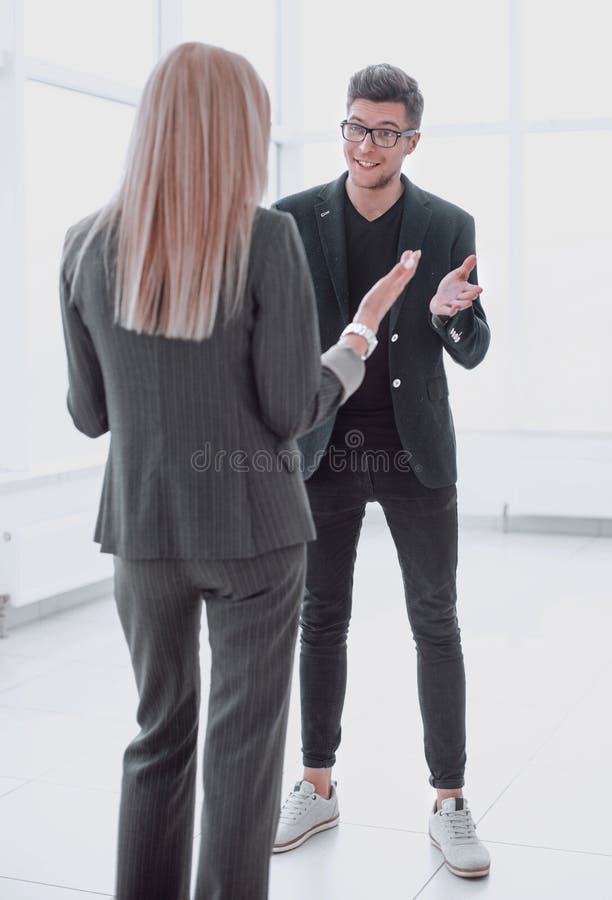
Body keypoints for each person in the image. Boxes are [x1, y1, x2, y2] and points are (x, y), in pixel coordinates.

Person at [59, 44, 427, 900]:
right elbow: (291, 406)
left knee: (158, 739)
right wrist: (357, 342)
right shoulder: (266, 238)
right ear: (238, 132)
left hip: (144, 534)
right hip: (255, 534)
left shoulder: (84, 244)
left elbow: (89, 414)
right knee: (241, 752)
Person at [273, 63, 491, 880]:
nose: (367, 144)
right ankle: (316, 783)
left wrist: (448, 319)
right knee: (319, 619)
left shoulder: (447, 222)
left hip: (414, 452)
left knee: (436, 621)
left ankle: (450, 801)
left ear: (412, 140)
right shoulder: (291, 220)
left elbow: (474, 347)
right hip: (321, 449)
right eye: (356, 127)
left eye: (385, 131)